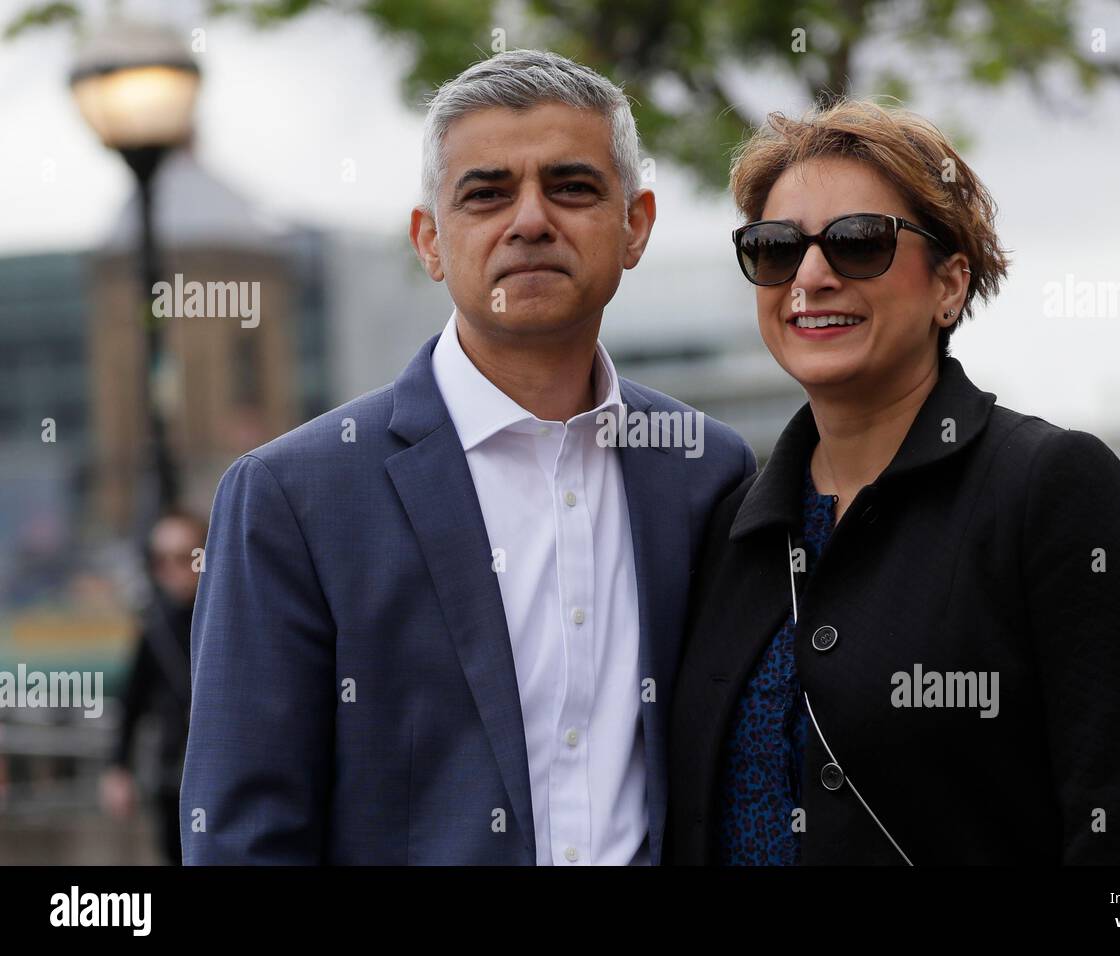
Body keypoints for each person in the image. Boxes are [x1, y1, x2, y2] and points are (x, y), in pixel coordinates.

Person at [181, 49, 754, 865]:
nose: (530, 220)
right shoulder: (292, 496)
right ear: (430, 240)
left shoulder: (705, 471)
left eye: (572, 187)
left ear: (636, 225)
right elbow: (243, 838)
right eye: (486, 194)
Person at [668, 100, 1120, 865]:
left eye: (857, 242)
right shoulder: (732, 524)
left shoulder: (1049, 489)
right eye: (777, 248)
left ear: (950, 283)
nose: (810, 275)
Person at [101, 510, 206, 865]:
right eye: (159, 560)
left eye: (182, 557)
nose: (169, 570)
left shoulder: (229, 615)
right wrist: (119, 768)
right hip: (172, 775)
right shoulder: (156, 625)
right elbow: (131, 700)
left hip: (223, 772)